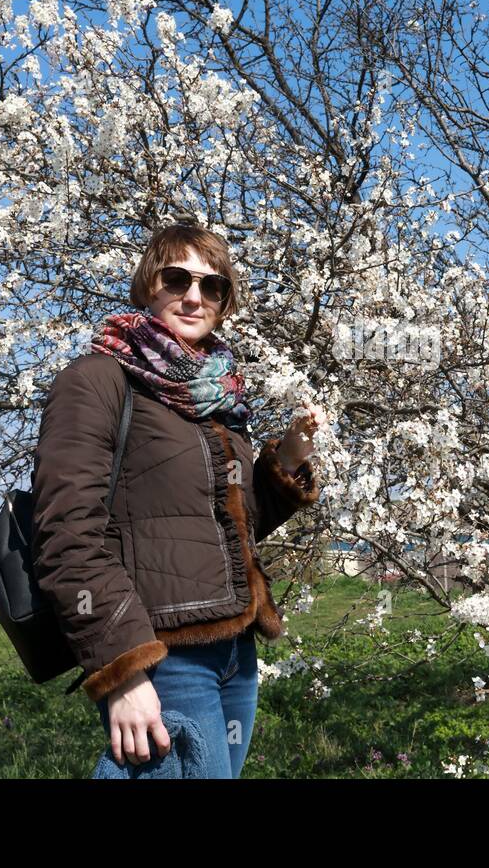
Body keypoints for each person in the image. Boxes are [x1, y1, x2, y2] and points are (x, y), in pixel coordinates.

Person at [29, 214, 326, 778]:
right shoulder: (99, 380)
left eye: (211, 285)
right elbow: (66, 529)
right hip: (162, 653)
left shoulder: (218, 400)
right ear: (148, 285)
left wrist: (284, 461)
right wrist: (123, 668)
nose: (194, 296)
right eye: (177, 280)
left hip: (234, 651)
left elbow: (215, 528)